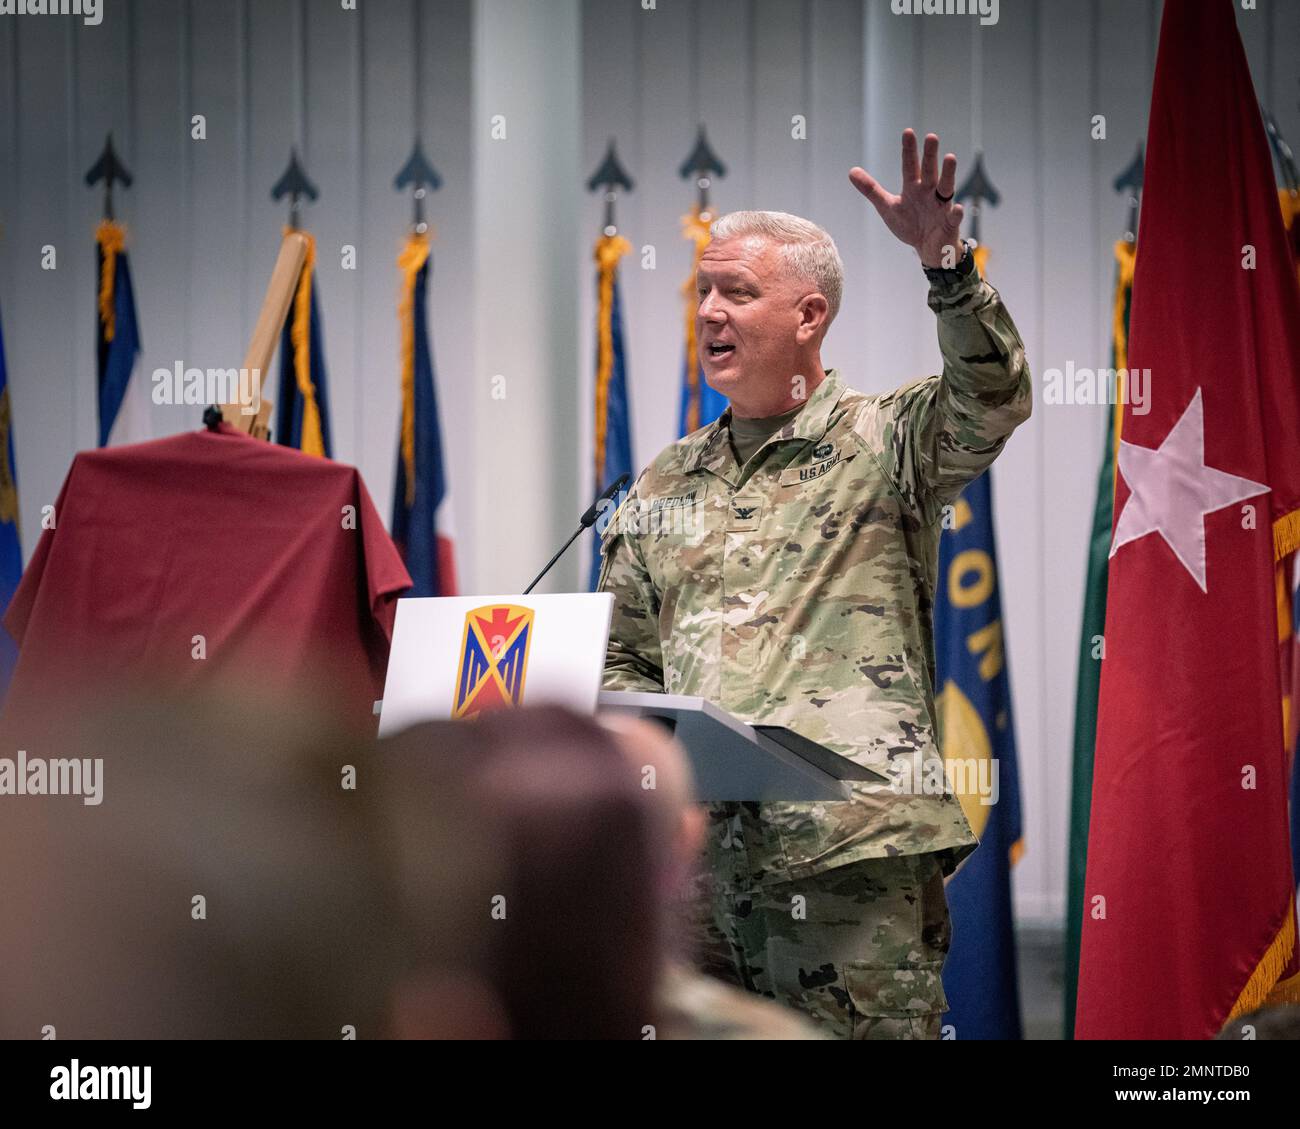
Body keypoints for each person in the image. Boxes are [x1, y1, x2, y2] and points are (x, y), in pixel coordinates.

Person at [597, 129, 1031, 1039]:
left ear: (809, 316)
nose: (710, 310)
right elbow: (624, 661)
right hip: (701, 873)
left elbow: (992, 393)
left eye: (738, 293)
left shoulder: (887, 439)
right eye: (705, 290)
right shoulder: (664, 482)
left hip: (850, 867)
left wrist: (947, 264)